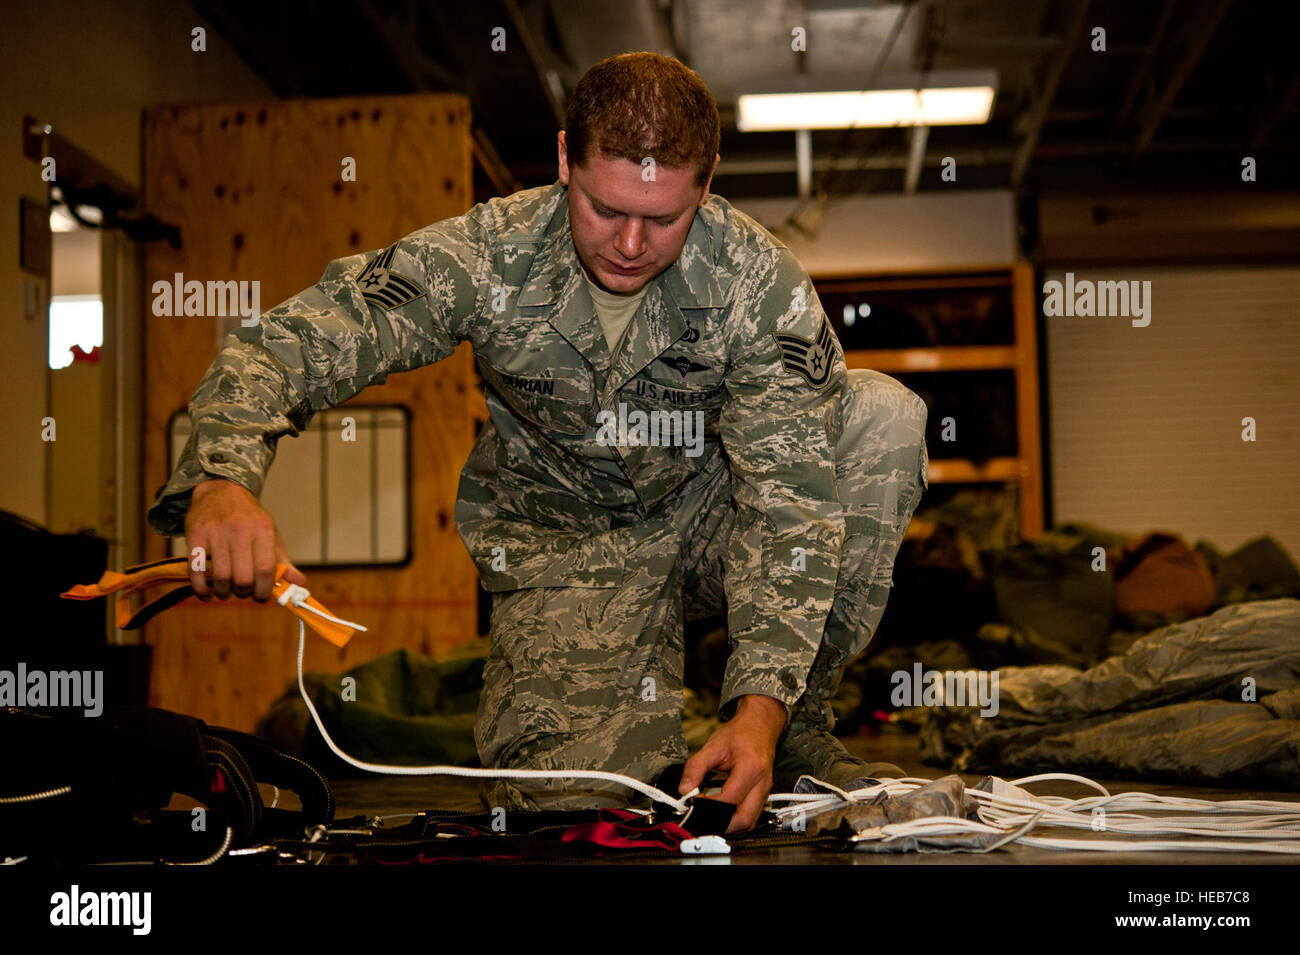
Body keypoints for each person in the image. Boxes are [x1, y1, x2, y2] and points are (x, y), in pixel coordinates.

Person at [147, 52, 928, 834]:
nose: (629, 242)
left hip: (707, 528)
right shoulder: (489, 254)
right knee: (579, 818)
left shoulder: (757, 284)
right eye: (602, 207)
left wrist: (759, 710)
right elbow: (290, 343)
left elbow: (786, 503)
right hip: (566, 550)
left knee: (881, 417)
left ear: (709, 178)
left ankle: (794, 732)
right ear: (564, 159)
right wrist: (221, 477)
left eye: (663, 219)